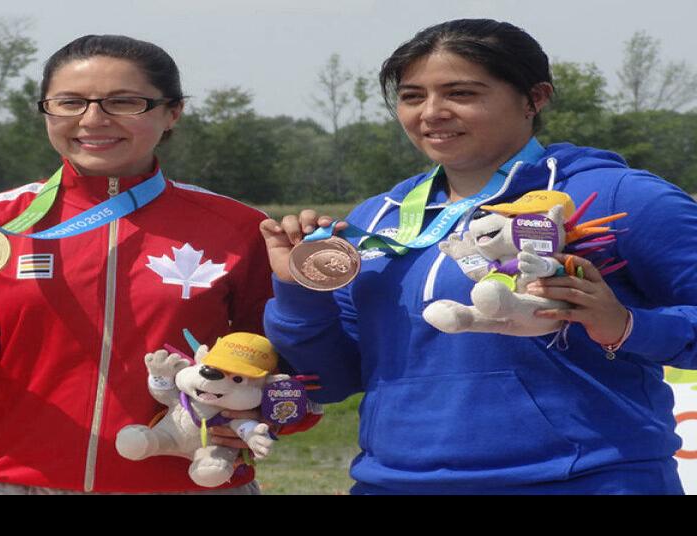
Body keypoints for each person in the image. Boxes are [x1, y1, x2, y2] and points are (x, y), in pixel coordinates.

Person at [0, 34, 275, 494]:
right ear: (45, 110)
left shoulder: (238, 228)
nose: (93, 119)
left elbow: (286, 369)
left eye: (124, 102)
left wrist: (259, 414)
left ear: (172, 111)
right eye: (70, 102)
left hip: (185, 482)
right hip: (10, 482)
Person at [262, 18, 696, 494]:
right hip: (393, 483)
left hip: (584, 480)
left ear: (535, 98)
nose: (432, 113)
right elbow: (332, 379)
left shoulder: (618, 198)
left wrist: (627, 326)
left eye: (461, 94)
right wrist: (299, 289)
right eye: (412, 97)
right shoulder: (374, 220)